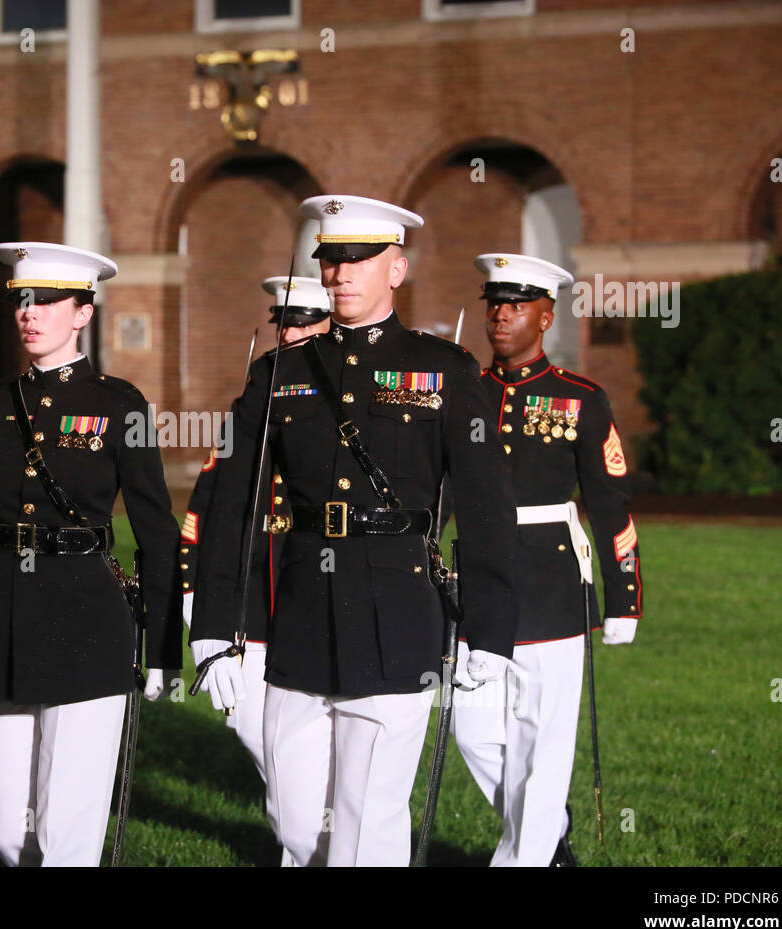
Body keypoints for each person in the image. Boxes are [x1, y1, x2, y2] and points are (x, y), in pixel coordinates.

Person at [191, 196, 519, 866]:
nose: (340, 273)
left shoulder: (446, 371)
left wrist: (489, 631)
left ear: (396, 270)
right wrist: (212, 628)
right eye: (331, 260)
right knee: (293, 816)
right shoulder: (279, 373)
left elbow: (487, 508)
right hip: (303, 614)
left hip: (395, 611)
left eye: (358, 260)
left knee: (369, 820)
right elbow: (233, 507)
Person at [0, 241, 183, 866]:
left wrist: (165, 646)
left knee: (69, 823)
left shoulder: (121, 404)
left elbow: (156, 531)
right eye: (22, 301)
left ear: (84, 313)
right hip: (3, 616)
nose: (31, 313)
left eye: (49, 301)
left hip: (89, 617)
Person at [450, 253, 642, 866]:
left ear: (546, 315)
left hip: (552, 582)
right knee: (472, 731)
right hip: (477, 581)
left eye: (517, 305)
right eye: (495, 304)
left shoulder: (580, 397)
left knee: (543, 740)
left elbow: (611, 503)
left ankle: (527, 860)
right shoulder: (466, 391)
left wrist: (625, 600)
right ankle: (546, 835)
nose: (501, 315)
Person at [181, 273, 332, 864]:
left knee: (315, 743)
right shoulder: (259, 391)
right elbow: (209, 501)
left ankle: (310, 851)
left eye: (305, 320)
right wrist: (195, 587)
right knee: (256, 731)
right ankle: (305, 839)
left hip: (310, 593)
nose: (291, 331)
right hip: (248, 604)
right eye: (284, 321)